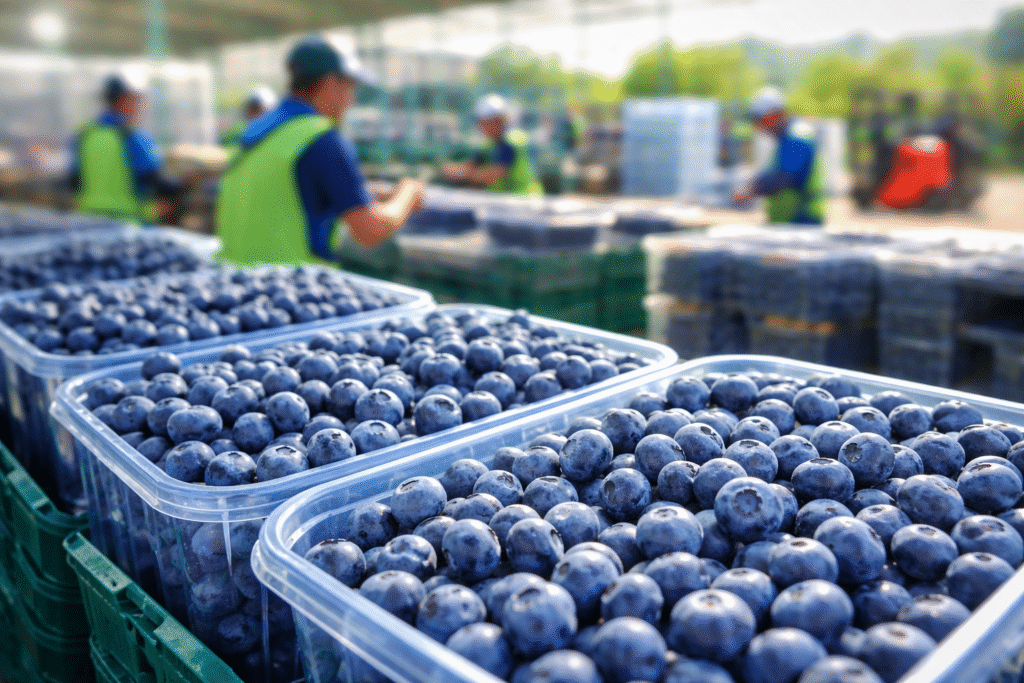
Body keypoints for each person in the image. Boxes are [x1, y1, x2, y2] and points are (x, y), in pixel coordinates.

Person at [216, 36, 425, 266]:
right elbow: (369, 231)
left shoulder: (252, 133)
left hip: (231, 284)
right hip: (292, 292)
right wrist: (408, 192)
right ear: (330, 83)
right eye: (350, 87)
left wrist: (370, 192)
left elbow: (288, 191)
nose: (351, 99)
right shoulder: (322, 139)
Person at [70, 71, 182, 223]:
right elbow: (155, 180)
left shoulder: (84, 135)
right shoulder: (131, 135)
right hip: (130, 222)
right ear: (124, 100)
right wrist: (185, 184)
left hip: (90, 220)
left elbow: (73, 181)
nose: (141, 106)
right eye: (138, 100)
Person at [732, 87, 824, 225]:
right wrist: (753, 183)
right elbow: (774, 172)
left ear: (775, 115)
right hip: (791, 219)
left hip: (801, 218)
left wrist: (750, 191)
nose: (759, 127)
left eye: (760, 120)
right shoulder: (786, 138)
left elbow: (784, 178)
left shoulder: (797, 137)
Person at [441, 94, 543, 196]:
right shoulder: (489, 143)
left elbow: (495, 174)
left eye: (483, 121)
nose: (480, 125)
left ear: (496, 121)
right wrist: (452, 170)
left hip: (523, 199)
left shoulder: (511, 141)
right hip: (504, 199)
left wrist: (465, 175)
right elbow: (471, 165)